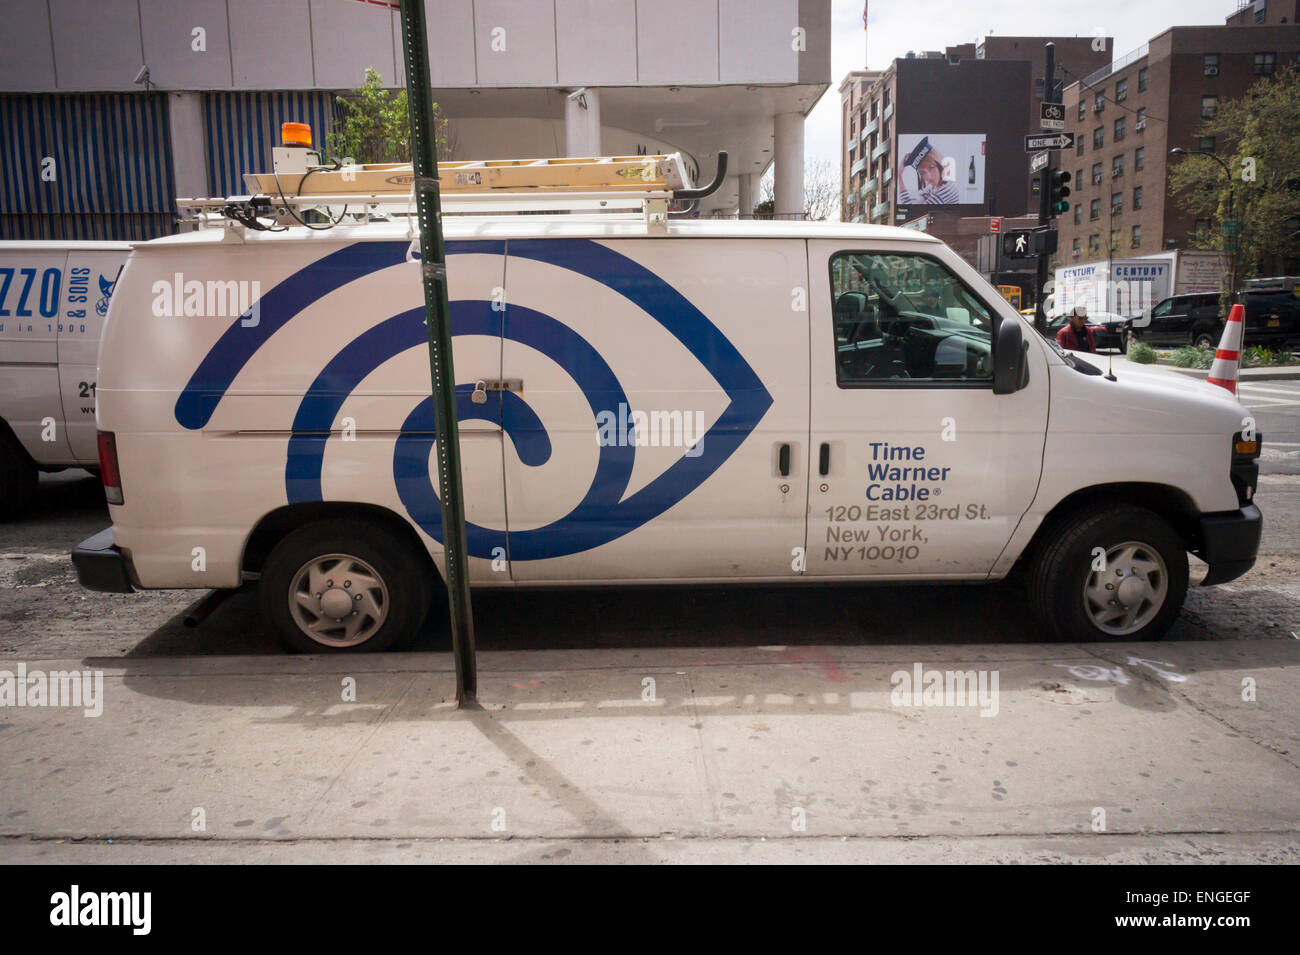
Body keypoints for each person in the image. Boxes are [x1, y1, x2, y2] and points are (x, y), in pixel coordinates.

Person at [899, 137, 961, 205]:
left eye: (931, 168)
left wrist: (899, 176)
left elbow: (911, 211)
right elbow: (911, 206)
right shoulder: (933, 188)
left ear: (939, 164)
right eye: (922, 173)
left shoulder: (945, 191)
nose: (929, 177)